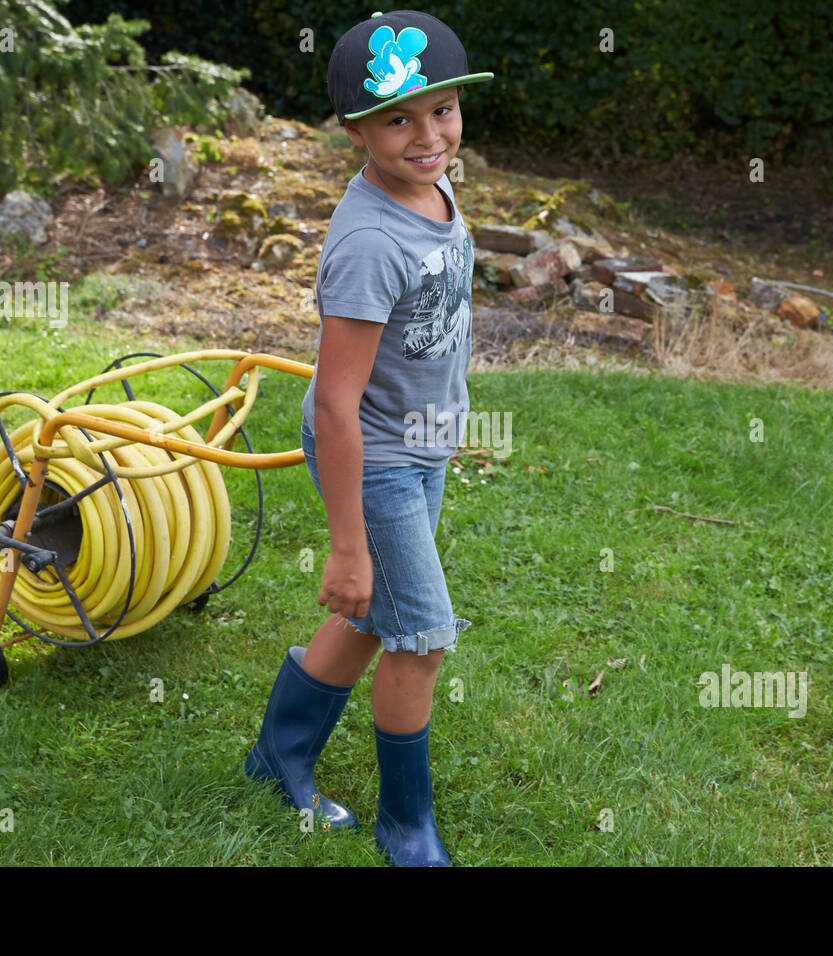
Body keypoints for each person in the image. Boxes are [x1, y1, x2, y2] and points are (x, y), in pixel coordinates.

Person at [243, 10, 494, 867]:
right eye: (399, 118)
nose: (429, 136)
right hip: (375, 452)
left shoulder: (434, 188)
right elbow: (334, 407)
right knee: (420, 637)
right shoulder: (366, 243)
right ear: (355, 130)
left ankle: (278, 757)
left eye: (443, 111)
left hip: (422, 443)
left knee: (373, 618)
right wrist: (347, 546)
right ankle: (406, 822)